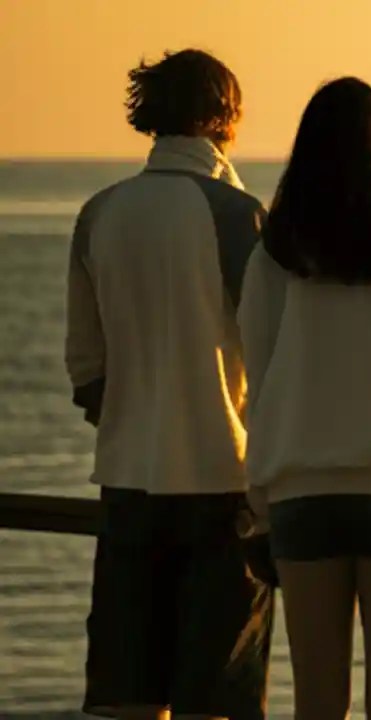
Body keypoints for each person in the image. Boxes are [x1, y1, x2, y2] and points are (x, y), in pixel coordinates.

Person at [64, 49, 273, 720]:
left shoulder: (100, 213)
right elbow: (272, 358)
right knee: (216, 698)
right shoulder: (240, 215)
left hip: (127, 484)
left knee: (127, 694)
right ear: (225, 116)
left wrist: (140, 421)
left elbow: (88, 373)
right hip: (224, 486)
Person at [237, 77, 371, 720]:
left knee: (317, 702)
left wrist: (261, 503)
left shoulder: (277, 256)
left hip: (301, 494)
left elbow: (258, 379)